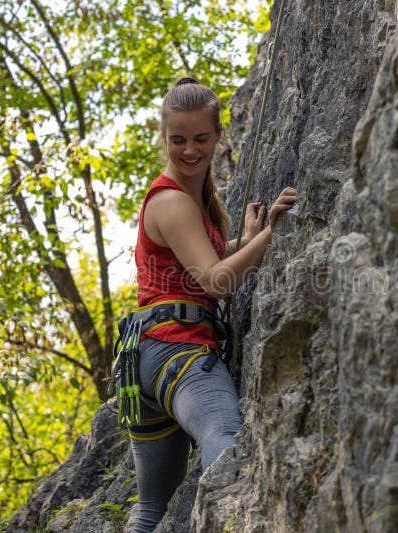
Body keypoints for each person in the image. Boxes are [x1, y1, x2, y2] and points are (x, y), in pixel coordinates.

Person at [125, 77, 297, 532]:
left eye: (201, 138)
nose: (189, 149)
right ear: (164, 137)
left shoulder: (192, 202)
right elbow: (217, 281)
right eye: (178, 139)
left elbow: (204, 261)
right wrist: (271, 237)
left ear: (218, 135)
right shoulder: (171, 201)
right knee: (227, 442)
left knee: (152, 510)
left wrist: (246, 235)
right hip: (176, 351)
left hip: (147, 358)